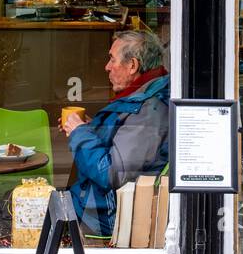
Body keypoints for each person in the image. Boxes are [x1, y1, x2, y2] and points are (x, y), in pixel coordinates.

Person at [62, 29, 170, 235]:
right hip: (97, 202)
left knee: (14, 206)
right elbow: (125, 144)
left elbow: (111, 173)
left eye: (112, 60)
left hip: (103, 215)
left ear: (132, 66)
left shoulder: (148, 110)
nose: (107, 67)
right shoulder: (149, 92)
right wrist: (90, 129)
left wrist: (80, 134)